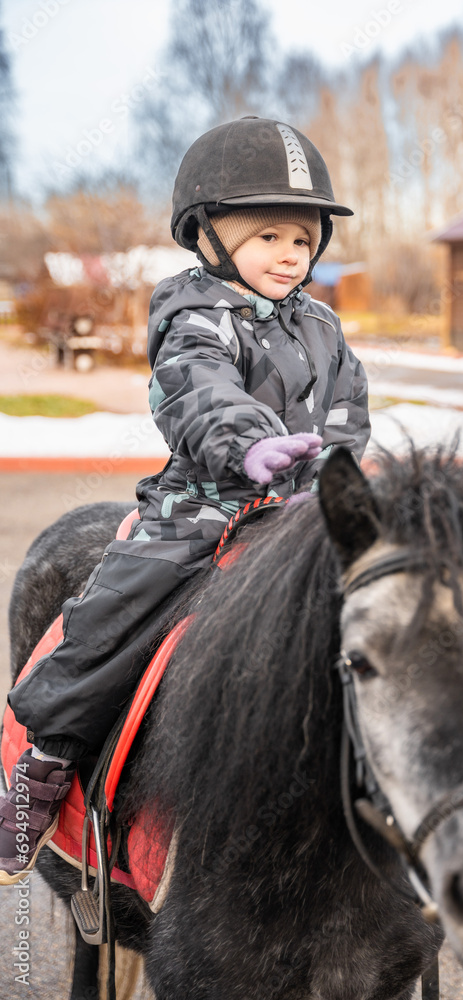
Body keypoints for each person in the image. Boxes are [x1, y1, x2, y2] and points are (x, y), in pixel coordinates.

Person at [0, 116, 370, 883]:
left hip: (301, 519)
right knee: (116, 611)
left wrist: (329, 478)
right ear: (207, 234)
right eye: (269, 237)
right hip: (201, 509)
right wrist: (248, 443)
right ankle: (46, 763)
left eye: (302, 241)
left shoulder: (324, 325)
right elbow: (197, 388)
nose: (290, 255)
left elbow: (348, 410)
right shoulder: (191, 309)